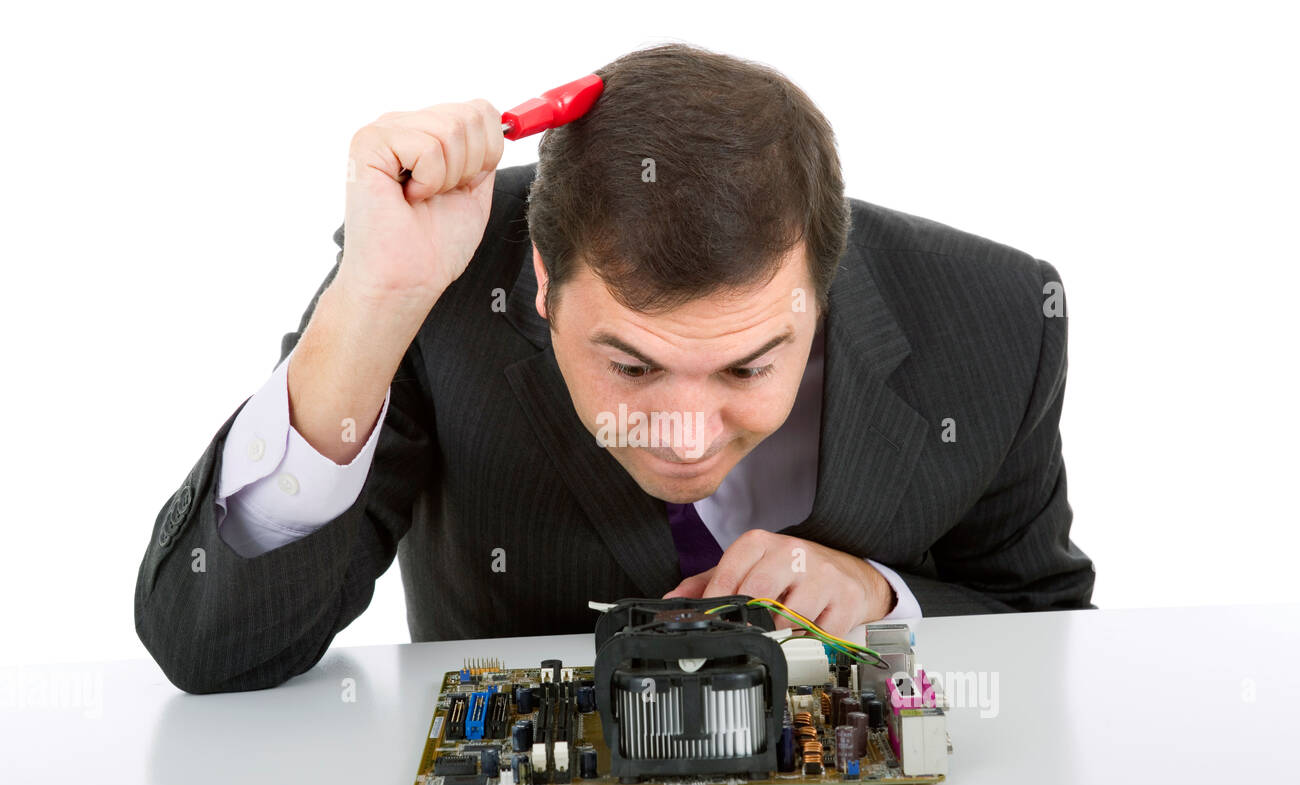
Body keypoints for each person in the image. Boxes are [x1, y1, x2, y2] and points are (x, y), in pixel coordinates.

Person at [134, 43, 1094, 694]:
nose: (682, 431)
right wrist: (375, 306)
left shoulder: (999, 318)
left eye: (748, 369)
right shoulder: (443, 285)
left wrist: (889, 605)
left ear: (824, 288)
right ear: (543, 282)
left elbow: (1052, 636)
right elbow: (210, 648)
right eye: (631, 367)